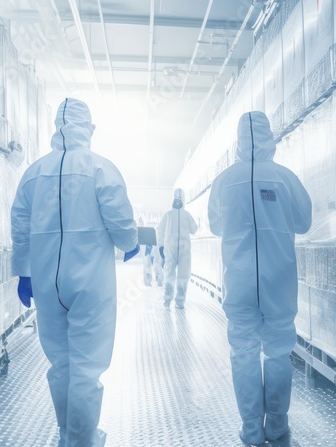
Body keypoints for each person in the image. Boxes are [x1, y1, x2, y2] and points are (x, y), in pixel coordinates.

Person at [11, 98, 138, 447]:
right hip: (90, 283)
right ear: (89, 128)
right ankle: (81, 441)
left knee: (60, 364)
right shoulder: (100, 168)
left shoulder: (34, 172)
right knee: (86, 367)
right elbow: (120, 217)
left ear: (56, 127)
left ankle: (69, 434)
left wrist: (24, 271)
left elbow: (20, 226)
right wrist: (130, 242)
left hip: (47, 283)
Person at [208, 111, 312, 446]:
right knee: (279, 351)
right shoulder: (284, 177)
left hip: (238, 279)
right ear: (270, 136)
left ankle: (251, 429)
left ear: (238, 140)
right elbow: (304, 221)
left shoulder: (224, 181)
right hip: (278, 276)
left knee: (244, 352)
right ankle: (277, 427)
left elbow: (214, 226)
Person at [156, 189, 198, 308]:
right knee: (181, 275)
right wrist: (161, 247)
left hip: (171, 249)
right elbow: (194, 229)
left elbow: (160, 231)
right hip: (182, 249)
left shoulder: (168, 215)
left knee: (172, 274)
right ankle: (178, 301)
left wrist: (161, 247)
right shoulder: (185, 215)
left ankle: (168, 301)